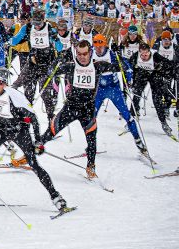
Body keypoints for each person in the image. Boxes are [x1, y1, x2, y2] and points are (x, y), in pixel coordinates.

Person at [0, 67, 68, 213]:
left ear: (4, 83)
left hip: (19, 130)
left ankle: (56, 197)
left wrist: (38, 141)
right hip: (1, 128)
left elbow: (34, 120)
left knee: (33, 164)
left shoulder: (15, 96)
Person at [36, 40, 132, 177]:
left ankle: (91, 166)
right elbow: (51, 71)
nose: (82, 56)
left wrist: (119, 56)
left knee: (92, 139)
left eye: (85, 53)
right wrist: (57, 60)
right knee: (51, 130)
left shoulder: (98, 66)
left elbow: (121, 67)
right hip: (71, 106)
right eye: (79, 54)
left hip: (87, 109)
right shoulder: (70, 66)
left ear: (90, 53)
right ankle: (35, 148)